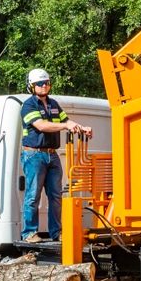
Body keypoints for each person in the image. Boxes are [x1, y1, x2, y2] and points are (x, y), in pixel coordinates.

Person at [20, 68, 91, 244]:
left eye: (46, 83)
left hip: (52, 155)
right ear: (31, 86)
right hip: (34, 155)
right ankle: (29, 233)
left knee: (56, 195)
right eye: (39, 84)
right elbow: (42, 126)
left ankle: (56, 232)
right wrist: (65, 127)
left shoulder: (53, 104)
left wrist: (81, 128)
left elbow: (66, 121)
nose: (44, 86)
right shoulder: (28, 105)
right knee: (32, 196)